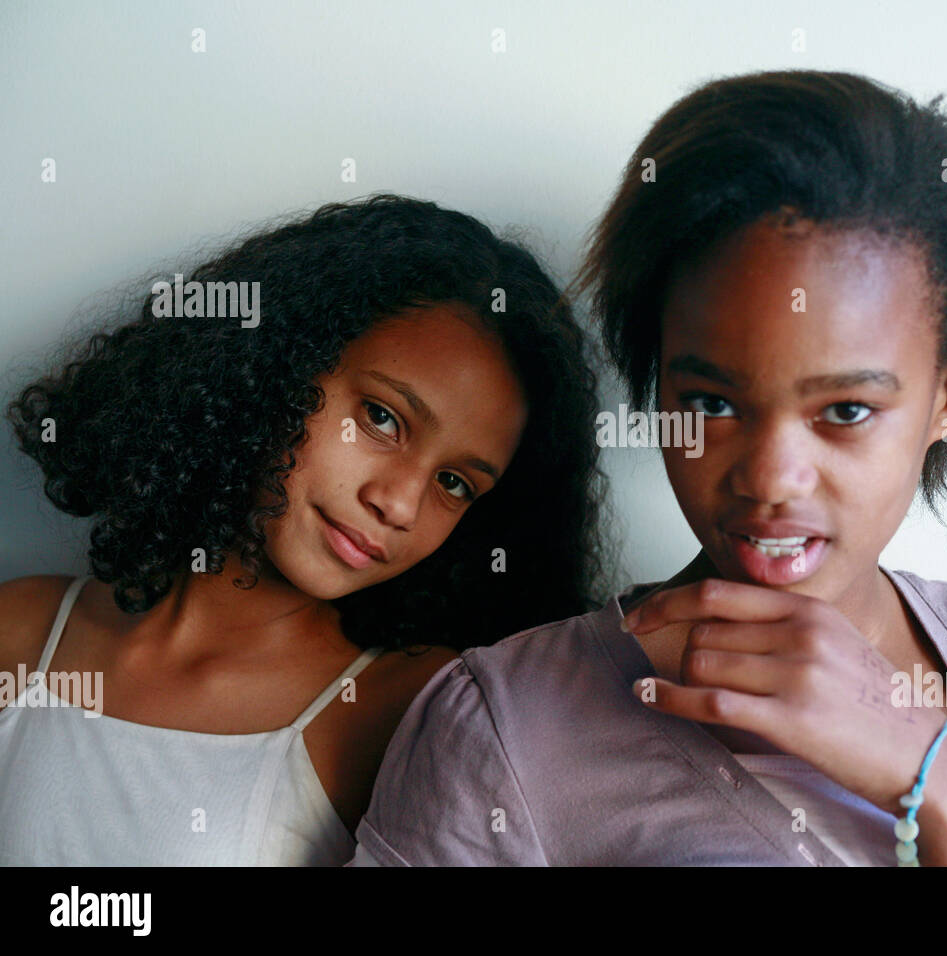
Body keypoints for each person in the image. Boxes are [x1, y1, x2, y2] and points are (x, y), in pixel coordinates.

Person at [350, 72, 947, 866]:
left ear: (946, 398)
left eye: (845, 412)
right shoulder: (506, 726)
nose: (770, 480)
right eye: (710, 403)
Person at [0, 194, 609, 865]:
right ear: (271, 366)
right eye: (382, 417)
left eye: (455, 483)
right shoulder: (21, 630)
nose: (401, 505)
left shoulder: (417, 709)